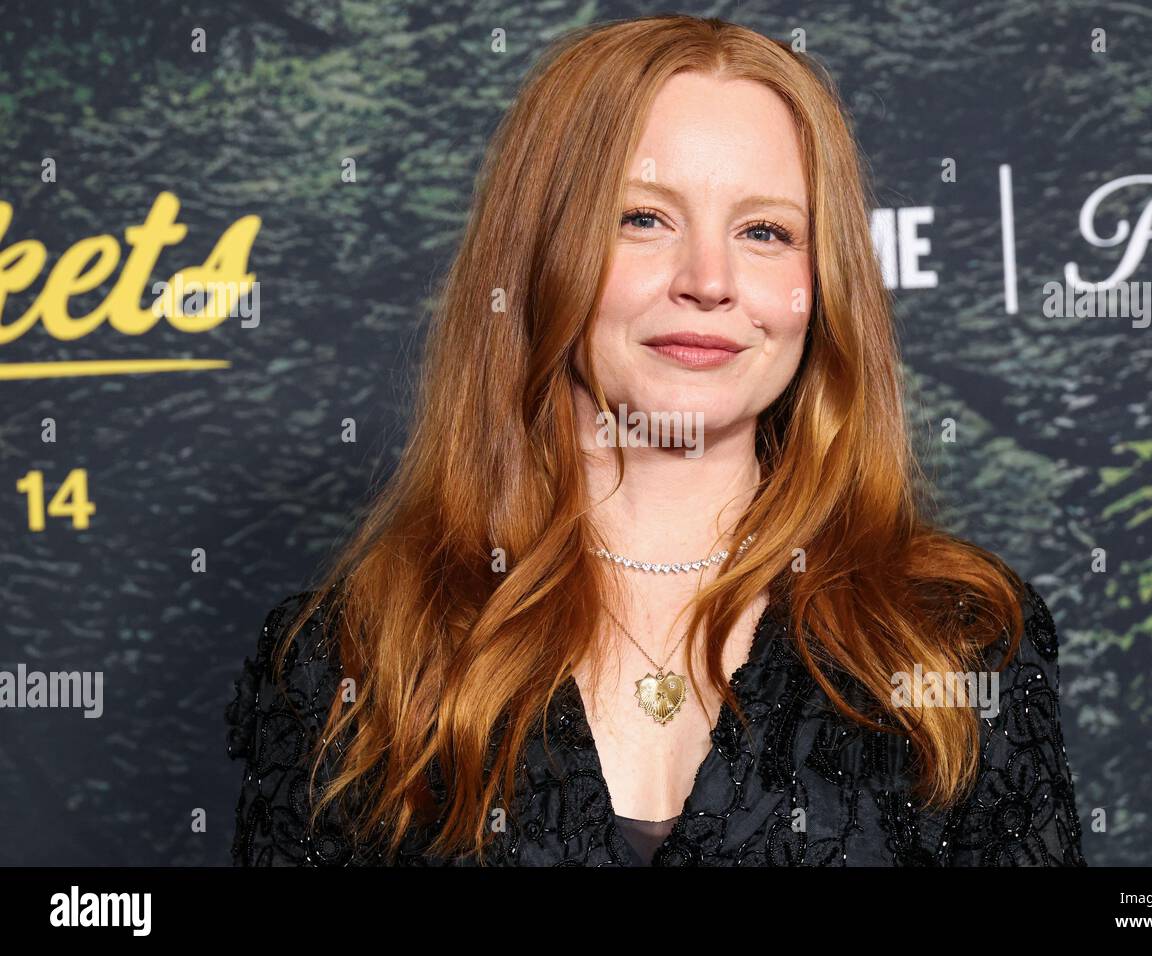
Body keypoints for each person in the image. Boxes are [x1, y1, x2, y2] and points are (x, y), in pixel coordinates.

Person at [225, 13, 1086, 867]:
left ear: (821, 287)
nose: (709, 281)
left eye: (766, 232)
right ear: (537, 253)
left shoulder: (952, 639)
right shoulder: (356, 660)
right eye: (642, 218)